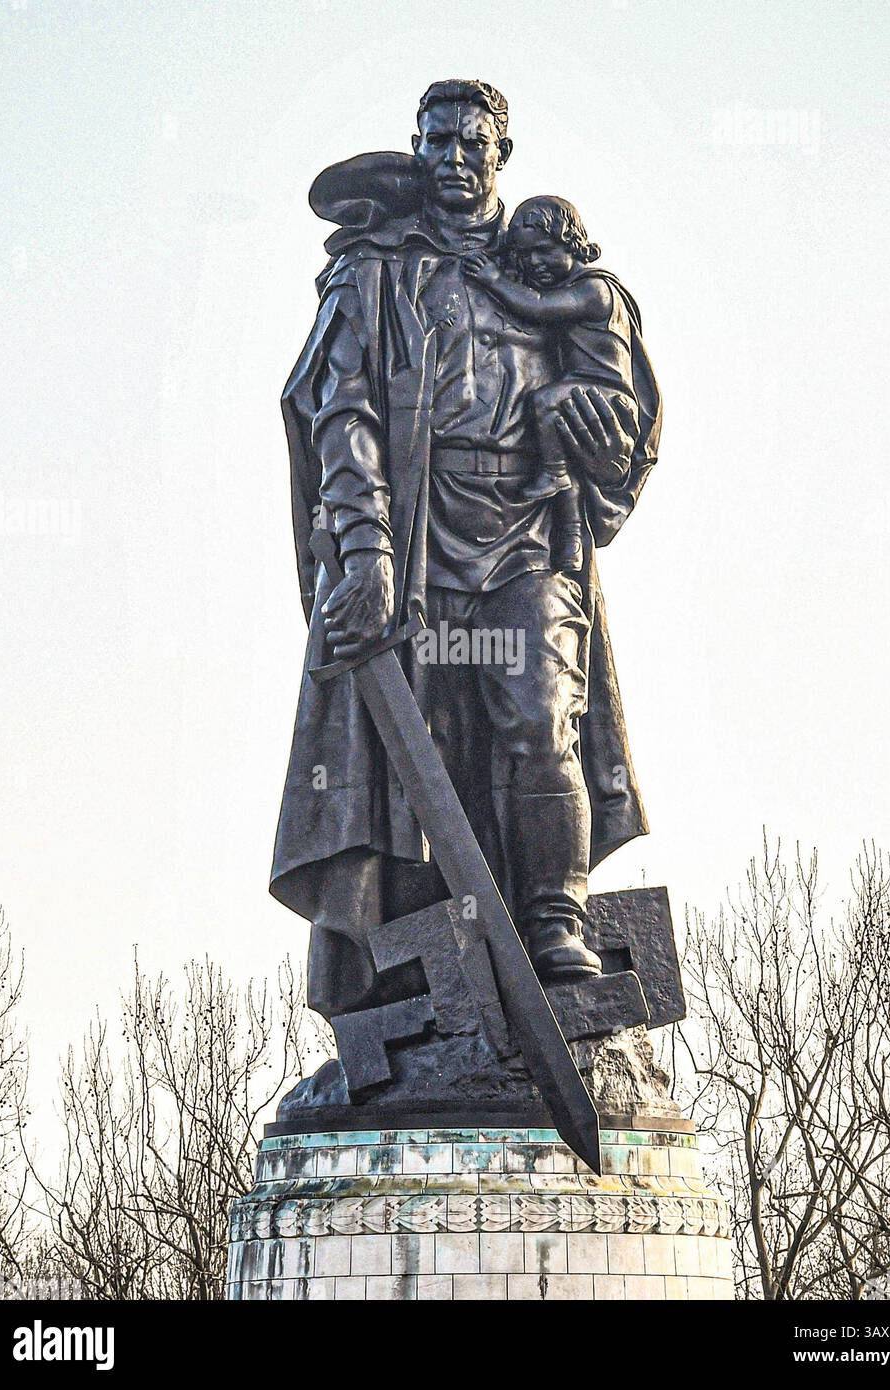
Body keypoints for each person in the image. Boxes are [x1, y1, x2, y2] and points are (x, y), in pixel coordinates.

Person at [272, 79, 662, 1016]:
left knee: (538, 718)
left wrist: (605, 429)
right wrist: (363, 550)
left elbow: (626, 409)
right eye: (434, 141)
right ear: (416, 149)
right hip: (412, 543)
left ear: (501, 154)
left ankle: (553, 919)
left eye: (470, 142)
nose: (451, 158)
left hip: (527, 534)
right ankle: (435, 962)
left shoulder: (548, 266)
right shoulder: (374, 270)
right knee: (423, 762)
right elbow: (342, 415)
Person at [463, 195, 643, 573]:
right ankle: (570, 544)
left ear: (571, 244)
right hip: (583, 389)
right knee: (564, 464)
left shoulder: (594, 290)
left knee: (545, 404)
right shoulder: (578, 286)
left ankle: (555, 472)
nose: (534, 265)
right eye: (525, 257)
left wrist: (495, 280)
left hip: (603, 395)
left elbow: (539, 307)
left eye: (544, 253)